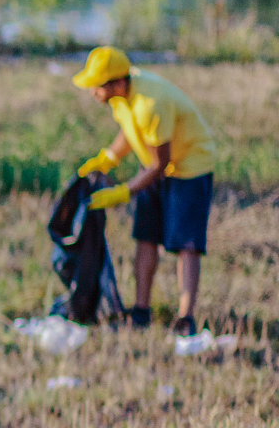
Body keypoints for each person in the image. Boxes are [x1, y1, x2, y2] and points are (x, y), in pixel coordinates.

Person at [70, 46, 217, 335]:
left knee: (186, 244)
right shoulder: (122, 96)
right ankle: (140, 311)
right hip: (153, 164)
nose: (93, 92)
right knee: (146, 237)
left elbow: (161, 164)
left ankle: (185, 318)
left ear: (117, 83)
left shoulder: (151, 104)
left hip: (189, 166)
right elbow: (131, 130)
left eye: (97, 86)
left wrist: (124, 192)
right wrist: (109, 157)